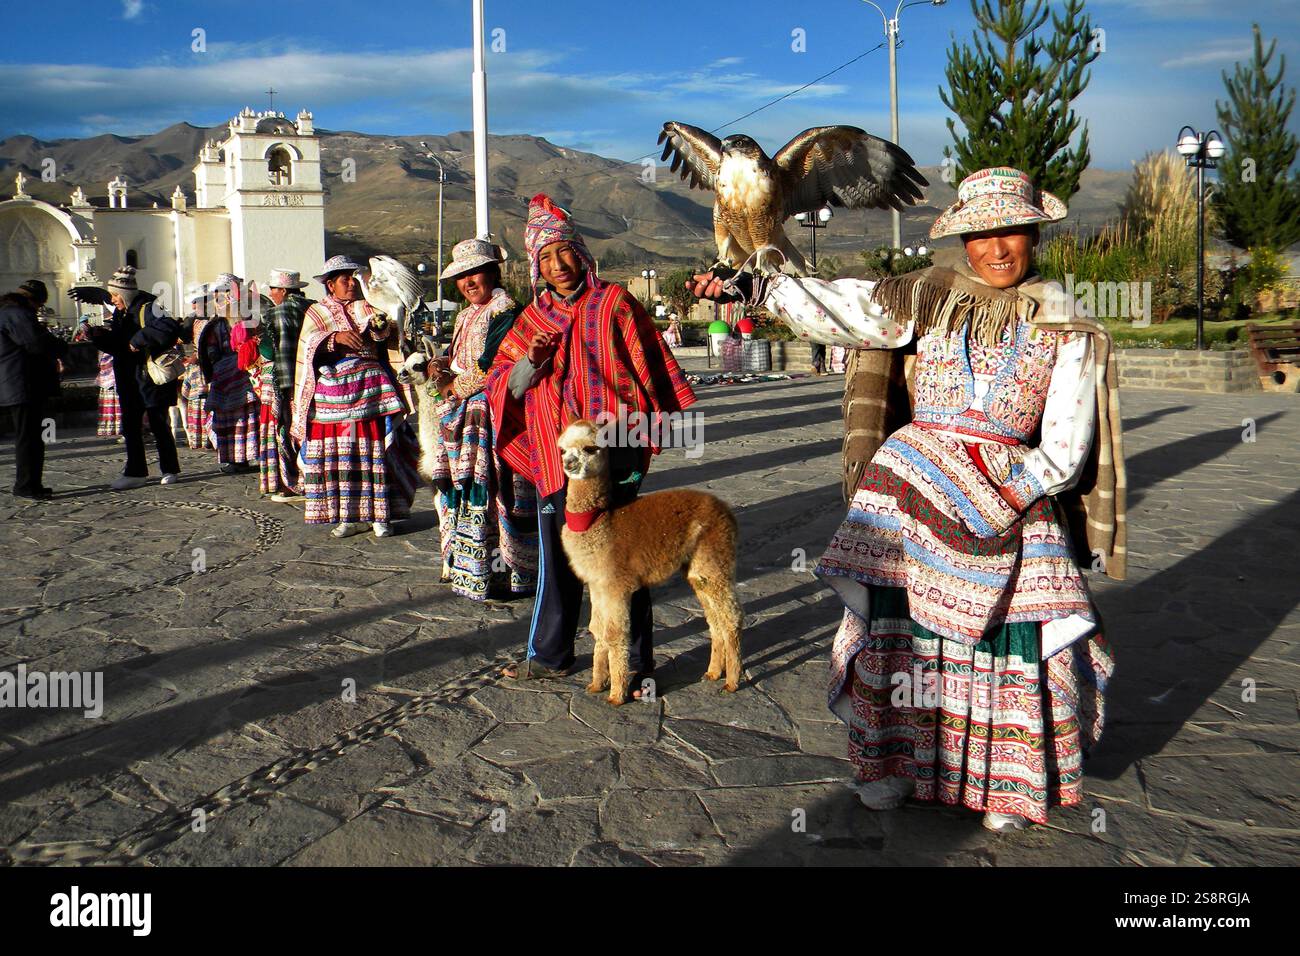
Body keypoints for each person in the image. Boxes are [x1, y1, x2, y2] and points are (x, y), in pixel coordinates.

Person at [690, 167, 1126, 830]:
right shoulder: (929, 297)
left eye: (1011, 230)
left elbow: (1066, 444)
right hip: (909, 492)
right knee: (901, 639)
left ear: (1035, 232)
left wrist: (1000, 497)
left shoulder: (1065, 322)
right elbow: (842, 306)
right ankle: (889, 766)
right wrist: (758, 284)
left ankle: (1003, 784)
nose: (996, 248)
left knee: (1005, 638)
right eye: (980, 234)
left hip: (1010, 499)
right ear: (964, 239)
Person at [487, 194, 696, 691]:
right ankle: (551, 653)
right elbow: (504, 386)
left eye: (563, 252)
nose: (558, 266)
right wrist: (530, 363)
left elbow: (650, 366)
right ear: (535, 266)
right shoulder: (532, 320)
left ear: (580, 252)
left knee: (622, 558)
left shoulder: (614, 304)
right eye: (545, 258)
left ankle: (637, 661)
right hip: (553, 456)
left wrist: (635, 434)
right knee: (558, 557)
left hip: (614, 454)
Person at [426, 239, 536, 601]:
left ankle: (507, 572)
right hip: (465, 414)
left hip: (493, 414)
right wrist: (441, 365)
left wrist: (451, 388)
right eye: (461, 277)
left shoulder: (505, 310)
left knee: (497, 490)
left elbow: (495, 363)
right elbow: (460, 357)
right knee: (469, 490)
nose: (469, 282)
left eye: (475, 273)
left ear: (491, 273)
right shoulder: (465, 315)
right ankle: (474, 568)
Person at [291, 255, 418, 538]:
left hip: (372, 392)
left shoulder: (370, 307)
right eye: (344, 279)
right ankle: (348, 515)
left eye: (353, 278)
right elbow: (308, 344)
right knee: (341, 455)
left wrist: (378, 329)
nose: (351, 283)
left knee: (376, 452)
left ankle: (379, 513)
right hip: (332, 397)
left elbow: (388, 336)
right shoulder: (316, 312)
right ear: (330, 285)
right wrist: (334, 339)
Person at [85, 265, 183, 489]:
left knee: (159, 426)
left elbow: (169, 326)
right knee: (130, 427)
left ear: (125, 294)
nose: (112, 300)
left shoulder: (149, 307)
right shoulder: (121, 313)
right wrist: (98, 337)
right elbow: (120, 347)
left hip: (149, 379)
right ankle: (136, 472)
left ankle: (169, 469)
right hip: (129, 379)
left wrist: (138, 339)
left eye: (115, 296)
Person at [0, 280, 66, 499]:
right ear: (33, 300)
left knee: (30, 436)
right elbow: (35, 342)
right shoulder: (17, 314)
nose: (38, 309)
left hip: (17, 383)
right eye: (39, 305)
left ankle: (31, 484)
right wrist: (59, 346)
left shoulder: (8, 311)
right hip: (22, 383)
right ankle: (26, 485)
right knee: (28, 437)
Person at [198, 274, 260, 476]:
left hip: (245, 378)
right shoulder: (216, 326)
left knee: (248, 418)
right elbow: (210, 353)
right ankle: (234, 458)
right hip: (227, 381)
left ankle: (251, 455)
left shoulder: (250, 320)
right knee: (232, 421)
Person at [261, 268, 314, 499]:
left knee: (290, 432)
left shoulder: (276, 314)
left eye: (273, 289)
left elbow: (269, 350)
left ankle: (296, 482)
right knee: (313, 431)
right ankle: (315, 479)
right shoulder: (315, 308)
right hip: (315, 380)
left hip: (289, 382)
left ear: (282, 290)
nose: (271, 294)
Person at [178, 286, 214, 450]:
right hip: (197, 369)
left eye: (196, 302)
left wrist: (197, 357)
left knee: (207, 402)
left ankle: (211, 438)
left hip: (209, 367)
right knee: (196, 402)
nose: (193, 306)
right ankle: (200, 438)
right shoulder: (193, 320)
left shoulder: (215, 321)